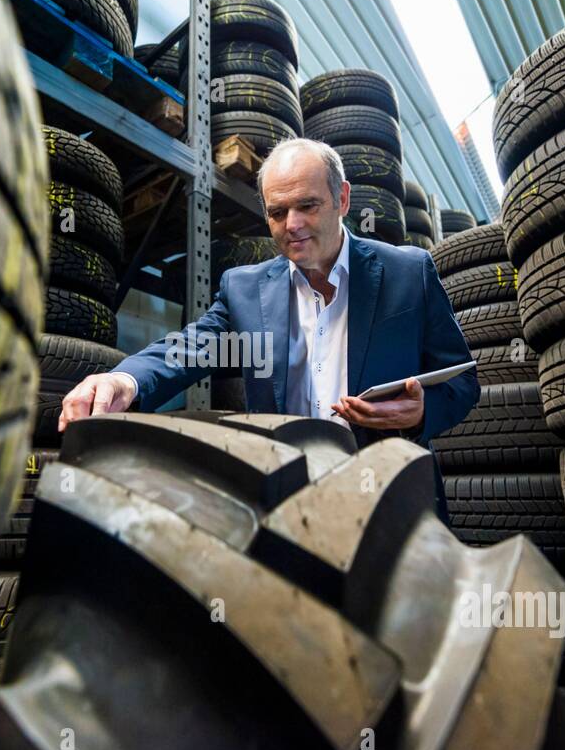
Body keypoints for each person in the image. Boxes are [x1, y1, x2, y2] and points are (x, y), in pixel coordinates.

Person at [58, 137, 479, 519]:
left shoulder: (408, 273)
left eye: (307, 206)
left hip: (395, 503)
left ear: (343, 199)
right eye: (278, 212)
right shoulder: (244, 291)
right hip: (289, 507)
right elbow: (190, 347)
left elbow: (463, 382)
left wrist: (423, 411)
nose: (292, 224)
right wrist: (124, 380)